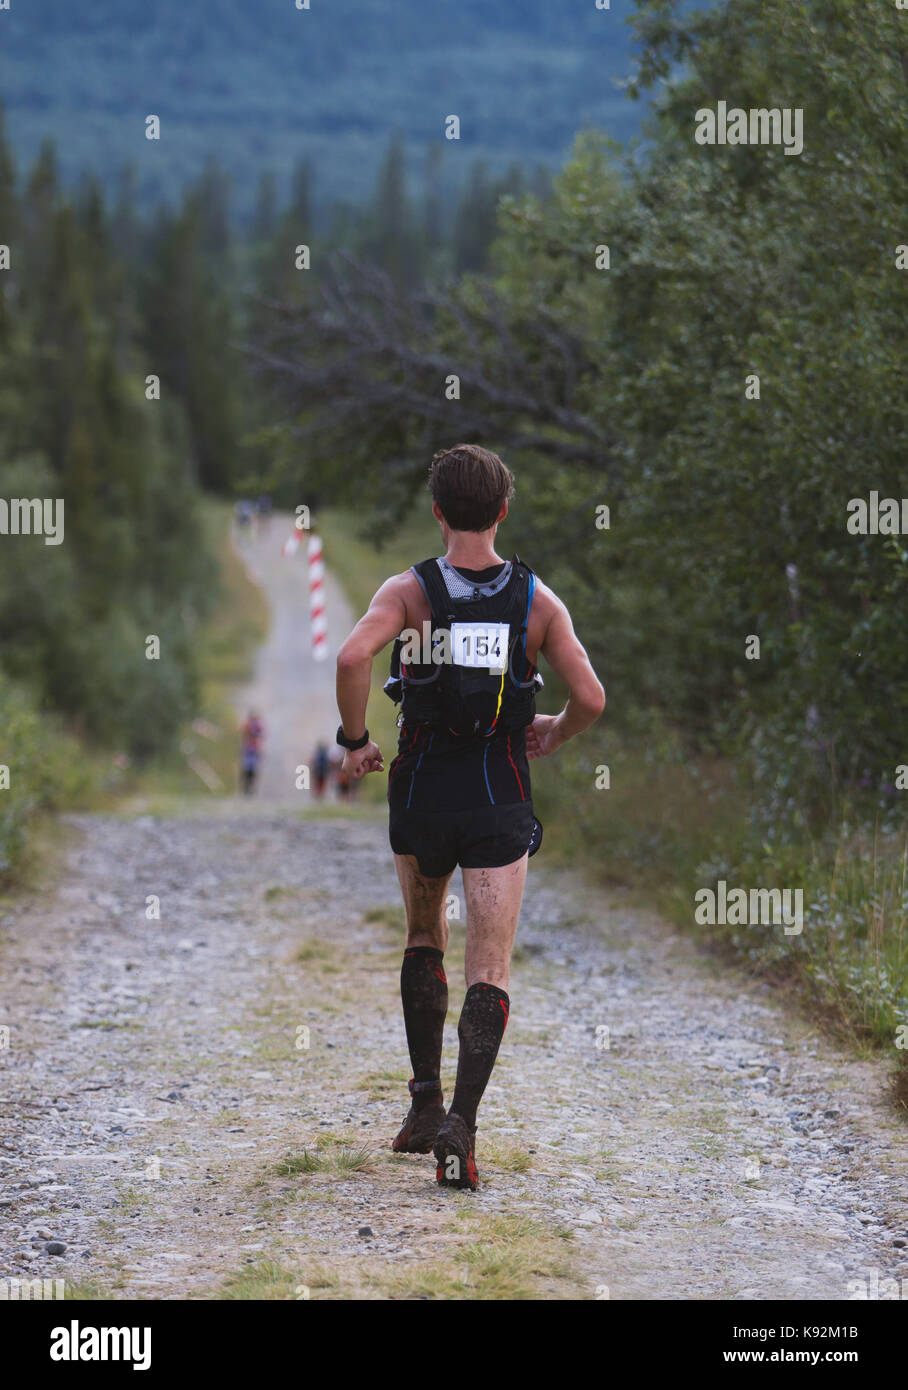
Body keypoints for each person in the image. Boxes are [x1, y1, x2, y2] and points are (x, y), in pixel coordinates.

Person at [335, 444, 605, 1190]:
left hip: (422, 789)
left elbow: (354, 657)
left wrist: (357, 743)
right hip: (499, 791)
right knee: (491, 964)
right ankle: (462, 1125)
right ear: (503, 511)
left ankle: (423, 1106)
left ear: (437, 511)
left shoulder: (410, 592)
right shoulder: (536, 601)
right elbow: (592, 699)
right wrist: (552, 730)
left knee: (426, 936)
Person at [240, 710, 264, 794]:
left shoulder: (258, 725)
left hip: (255, 750)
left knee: (253, 770)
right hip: (248, 750)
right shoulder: (247, 724)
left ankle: (251, 789)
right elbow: (244, 732)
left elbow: (261, 734)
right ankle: (246, 788)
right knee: (246, 770)